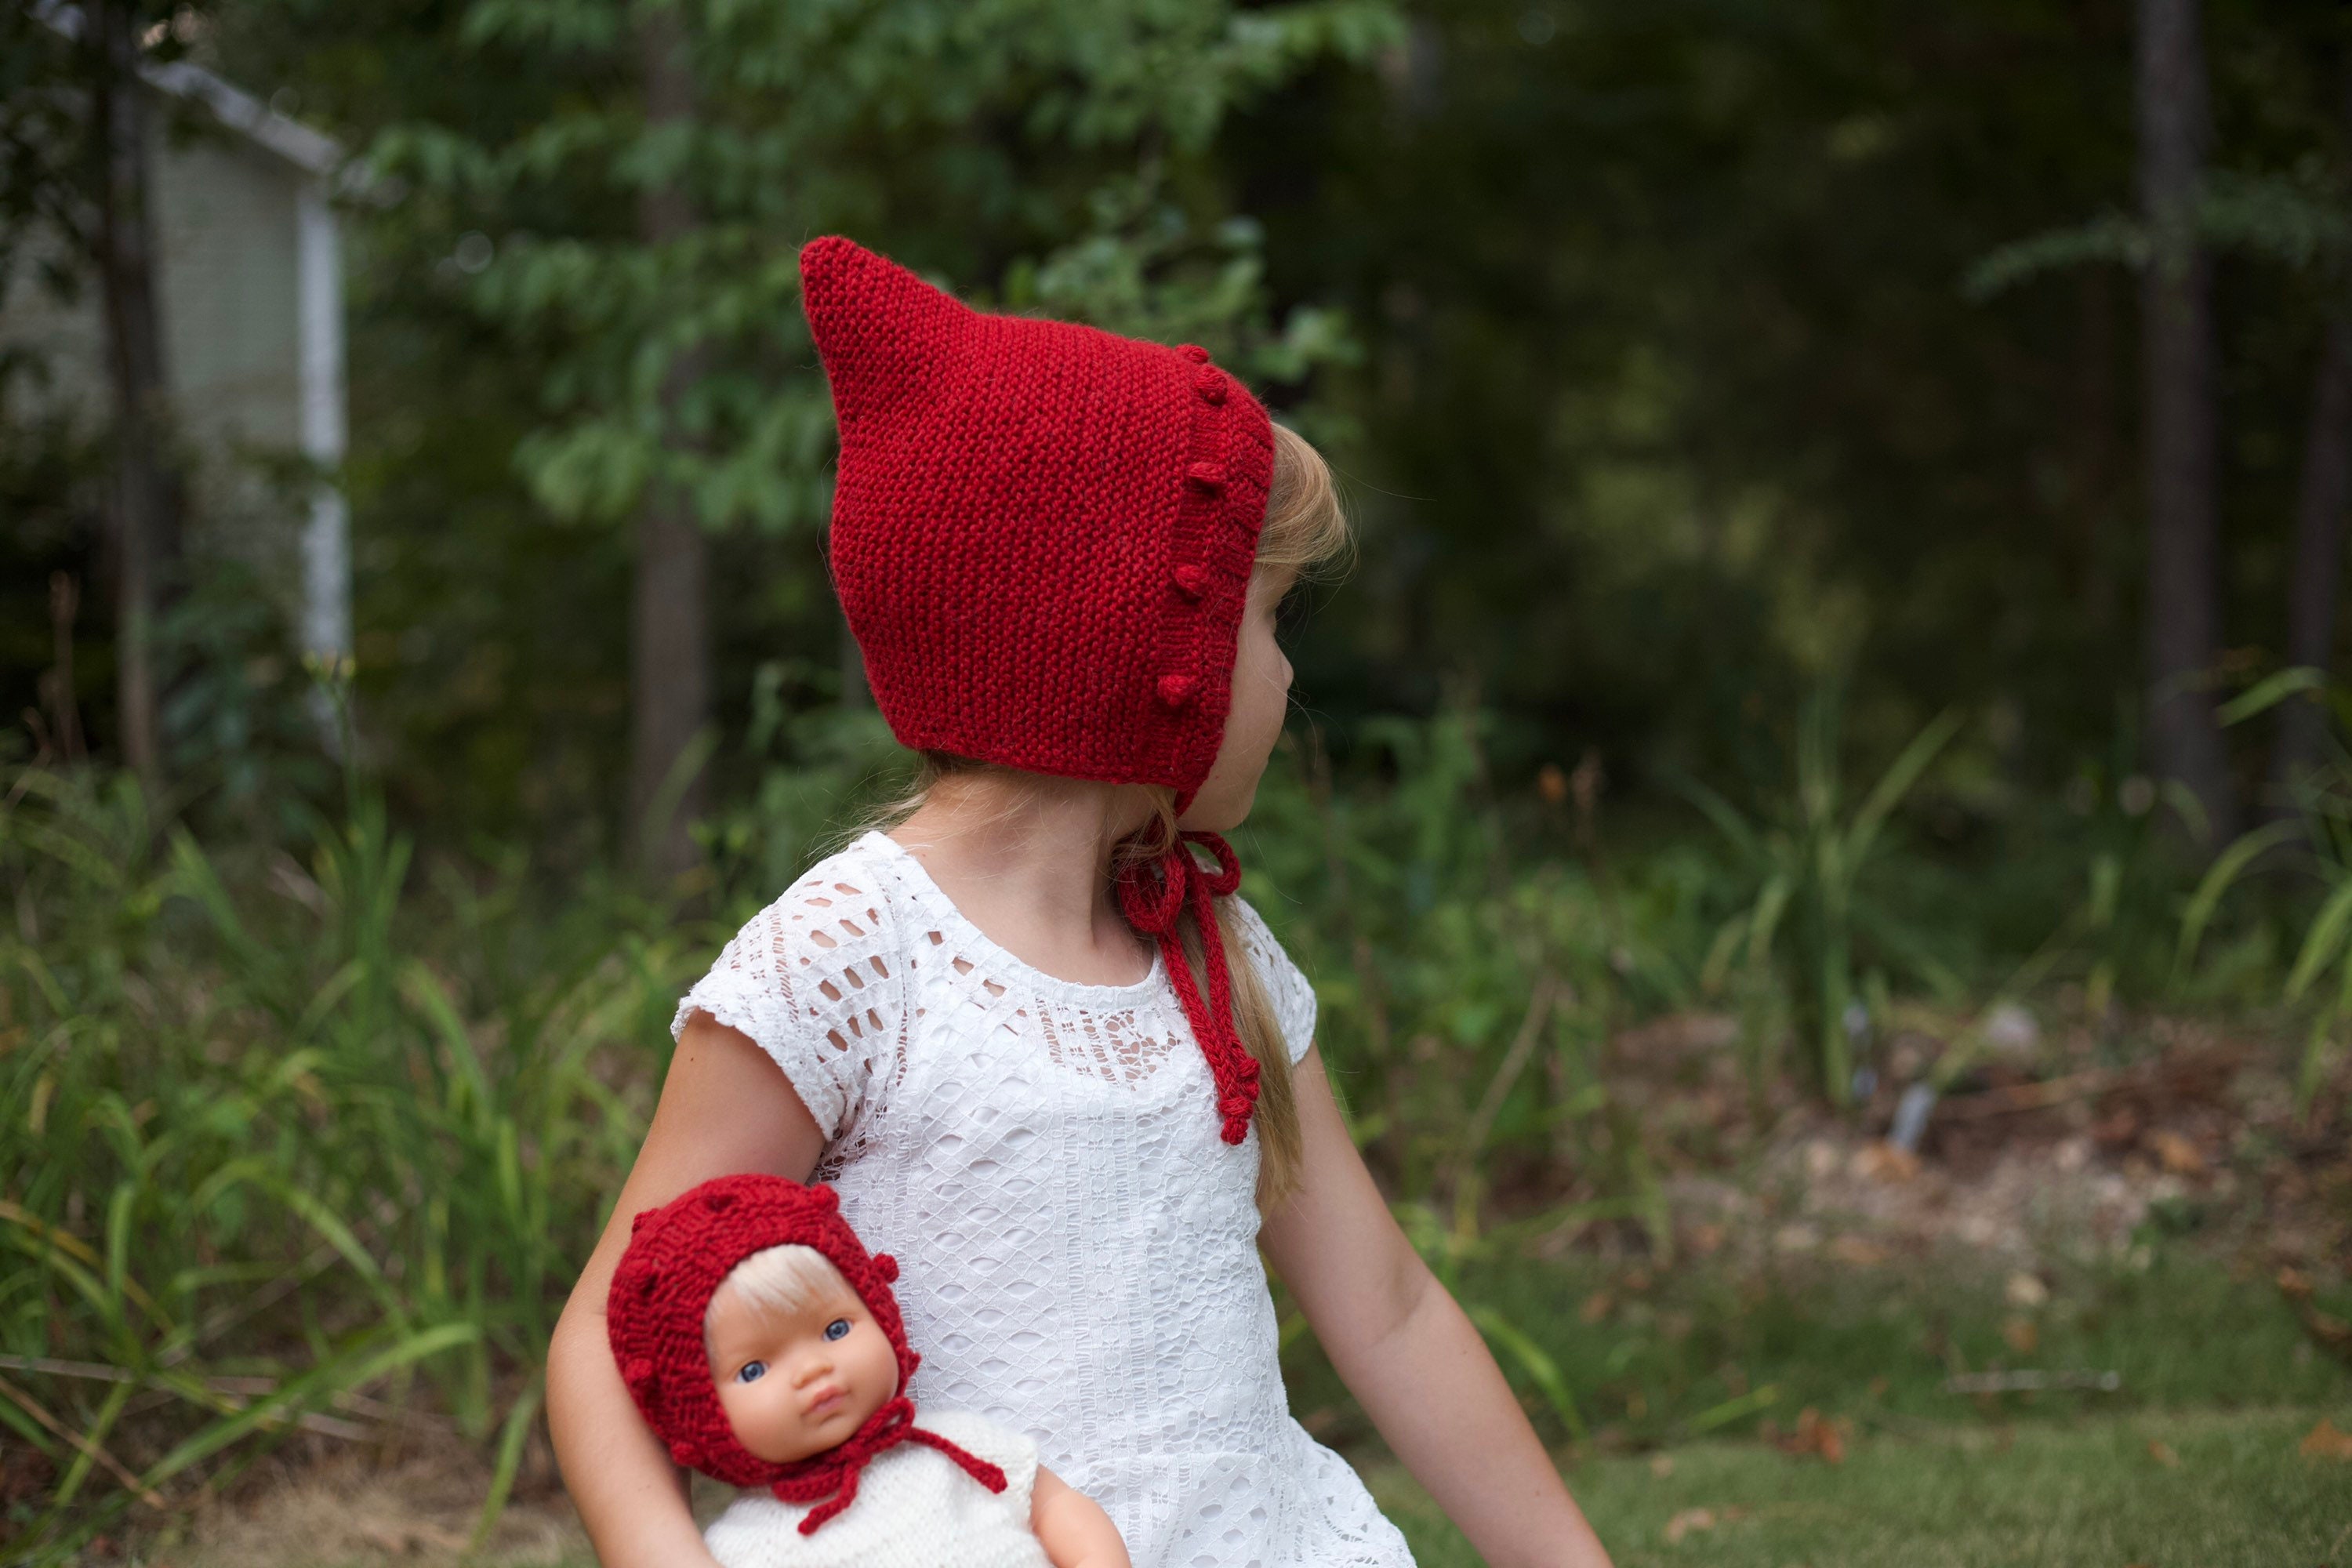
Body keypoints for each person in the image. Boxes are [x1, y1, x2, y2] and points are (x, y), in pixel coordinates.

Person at [545, 234, 1614, 1568]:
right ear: (1143, 651)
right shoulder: (852, 958)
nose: (1284, 680)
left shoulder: (1216, 957)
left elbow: (1386, 1308)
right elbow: (613, 1331)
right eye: (1268, 622)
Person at [604, 1173, 1130, 1568]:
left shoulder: (957, 1449)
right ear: (697, 1411)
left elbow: (1056, 1506)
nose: (813, 1368)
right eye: (754, 1369)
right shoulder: (743, 1551)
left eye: (835, 1330)